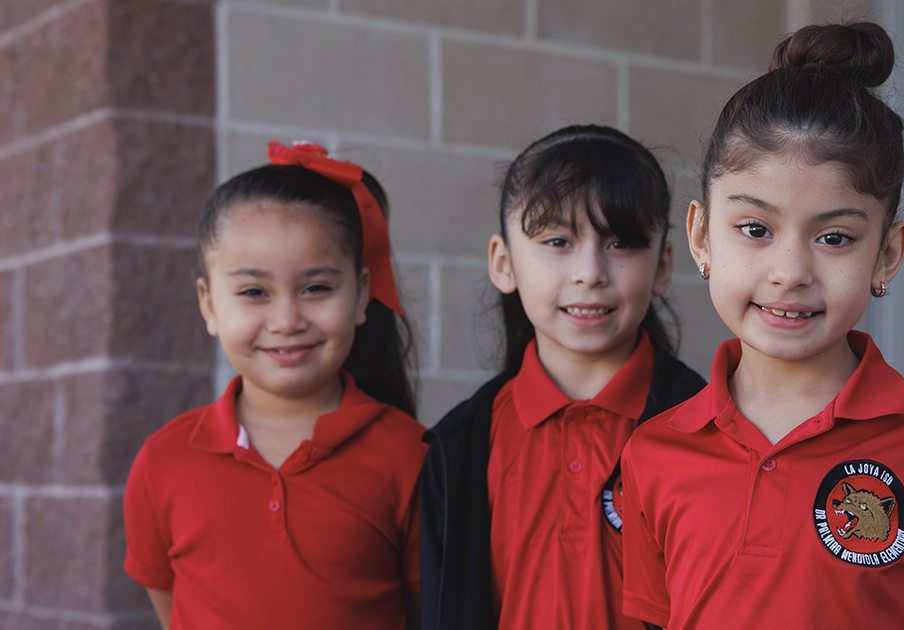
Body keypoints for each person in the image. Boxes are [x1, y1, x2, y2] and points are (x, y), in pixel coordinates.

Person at [620, 23, 904, 630]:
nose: (791, 272)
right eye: (755, 229)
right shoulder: (654, 450)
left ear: (886, 255)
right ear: (700, 236)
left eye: (835, 238)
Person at [123, 141, 425, 629]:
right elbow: (172, 608)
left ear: (361, 294)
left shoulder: (412, 455)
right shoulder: (163, 460)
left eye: (316, 288)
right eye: (253, 292)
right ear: (208, 305)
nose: (286, 320)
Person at [420, 125, 706, 630]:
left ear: (663, 266)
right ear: (503, 264)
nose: (589, 272)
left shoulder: (709, 430)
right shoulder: (460, 447)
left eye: (620, 243)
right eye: (558, 241)